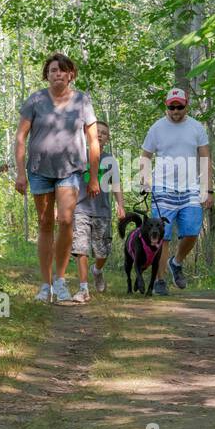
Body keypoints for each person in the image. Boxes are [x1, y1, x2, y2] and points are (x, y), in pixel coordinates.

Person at [15, 52, 101, 302]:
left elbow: (93, 140)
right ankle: (45, 285)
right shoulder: (35, 100)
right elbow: (21, 137)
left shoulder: (82, 101)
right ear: (47, 74)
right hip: (39, 170)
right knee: (44, 224)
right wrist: (20, 173)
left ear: (71, 74)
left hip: (71, 170)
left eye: (63, 70)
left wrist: (93, 177)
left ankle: (61, 280)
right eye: (53, 70)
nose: (58, 74)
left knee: (65, 221)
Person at [139, 87, 213, 295]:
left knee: (191, 232)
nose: (175, 111)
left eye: (179, 107)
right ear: (167, 107)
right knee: (162, 237)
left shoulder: (196, 128)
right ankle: (159, 280)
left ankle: (176, 262)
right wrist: (145, 180)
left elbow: (206, 158)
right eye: (172, 107)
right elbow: (146, 155)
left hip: (190, 187)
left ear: (186, 105)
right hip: (162, 188)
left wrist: (209, 189)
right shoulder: (157, 128)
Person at [70, 121, 124, 303]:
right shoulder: (79, 157)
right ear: (87, 134)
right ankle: (83, 288)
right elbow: (69, 185)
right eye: (96, 132)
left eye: (103, 133)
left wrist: (120, 205)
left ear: (107, 139)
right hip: (80, 209)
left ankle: (97, 270)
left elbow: (116, 185)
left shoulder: (110, 160)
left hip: (102, 211)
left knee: (102, 253)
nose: (99, 135)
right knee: (81, 248)